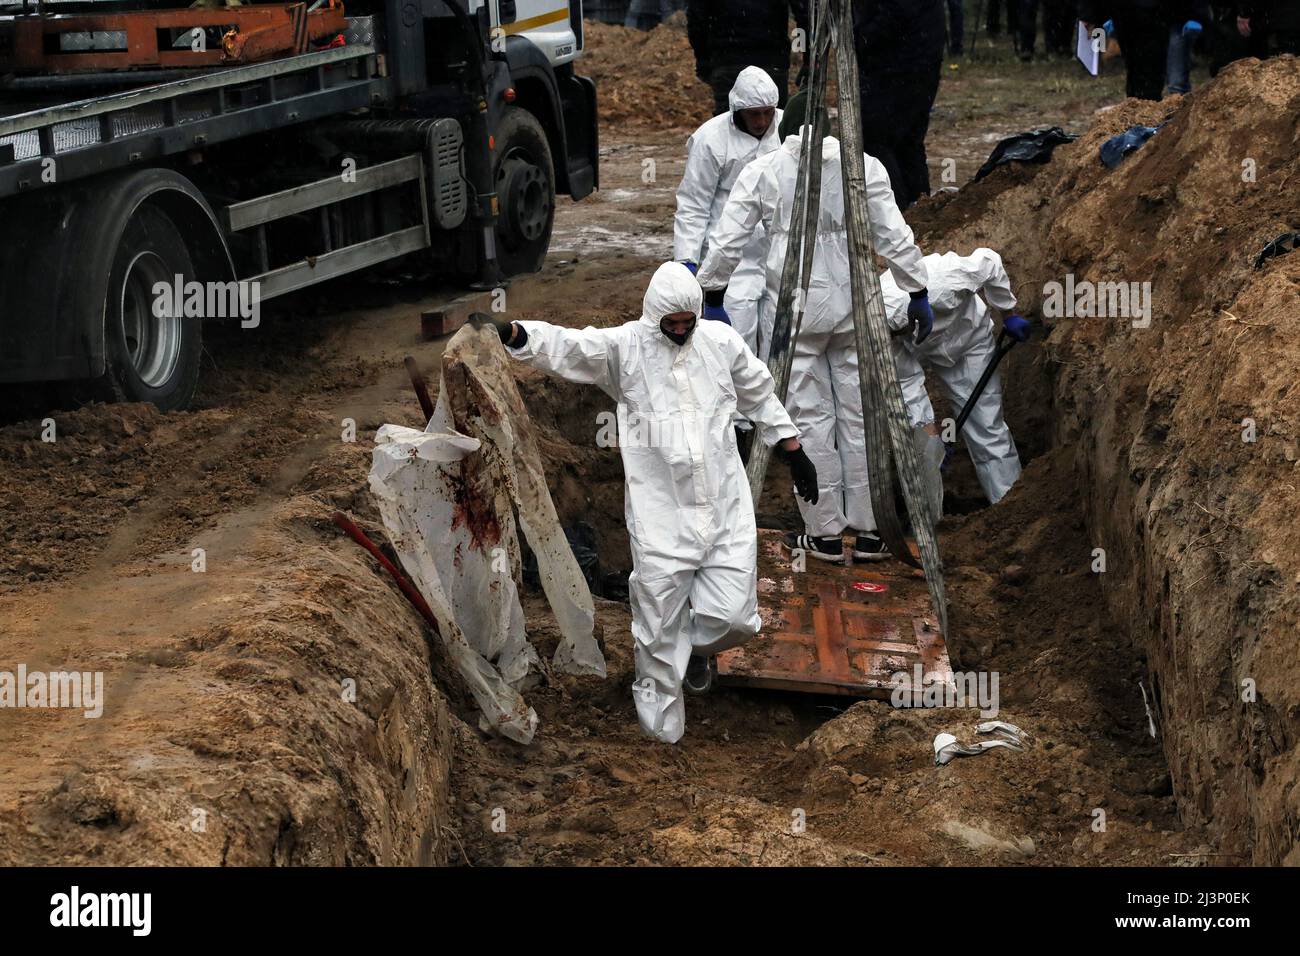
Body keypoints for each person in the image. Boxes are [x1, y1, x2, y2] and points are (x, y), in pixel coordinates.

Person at [478, 262, 819, 744]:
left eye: (687, 323)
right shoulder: (626, 348)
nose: (680, 332)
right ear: (653, 315)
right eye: (671, 324)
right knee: (657, 633)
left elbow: (758, 390)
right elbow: (570, 345)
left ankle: (695, 651)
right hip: (660, 513)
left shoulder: (720, 344)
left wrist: (792, 446)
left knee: (735, 620)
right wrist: (515, 333)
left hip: (723, 506)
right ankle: (660, 738)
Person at [696, 95, 933, 564]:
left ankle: (823, 534)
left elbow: (728, 239)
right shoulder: (861, 167)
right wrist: (917, 288)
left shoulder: (765, 170)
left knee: (808, 421)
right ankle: (870, 532)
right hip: (853, 308)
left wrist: (714, 294)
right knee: (860, 418)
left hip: (795, 311)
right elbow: (893, 233)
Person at [879, 248, 1025, 504]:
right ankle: (929, 516)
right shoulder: (882, 324)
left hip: (972, 342)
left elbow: (991, 262)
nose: (896, 334)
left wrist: (1008, 313)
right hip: (924, 350)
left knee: (987, 429)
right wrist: (931, 439)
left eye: (900, 330)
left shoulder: (947, 278)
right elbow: (908, 384)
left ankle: (1009, 505)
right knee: (922, 445)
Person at [673, 66, 784, 353]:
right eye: (753, 114)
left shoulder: (788, 130)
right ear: (737, 110)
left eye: (767, 113)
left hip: (779, 254)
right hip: (733, 261)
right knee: (737, 344)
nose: (761, 121)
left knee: (780, 341)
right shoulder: (711, 139)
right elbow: (694, 204)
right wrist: (687, 260)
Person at [853, 0, 946, 210]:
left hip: (898, 66)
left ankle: (897, 213)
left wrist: (860, 38)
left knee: (878, 139)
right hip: (916, 59)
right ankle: (920, 212)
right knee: (907, 142)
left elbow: (894, 14)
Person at [687, 0, 809, 114]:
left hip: (728, 60)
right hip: (771, 60)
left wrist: (704, 61)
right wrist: (807, 56)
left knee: (729, 127)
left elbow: (696, 20)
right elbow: (803, 15)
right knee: (772, 127)